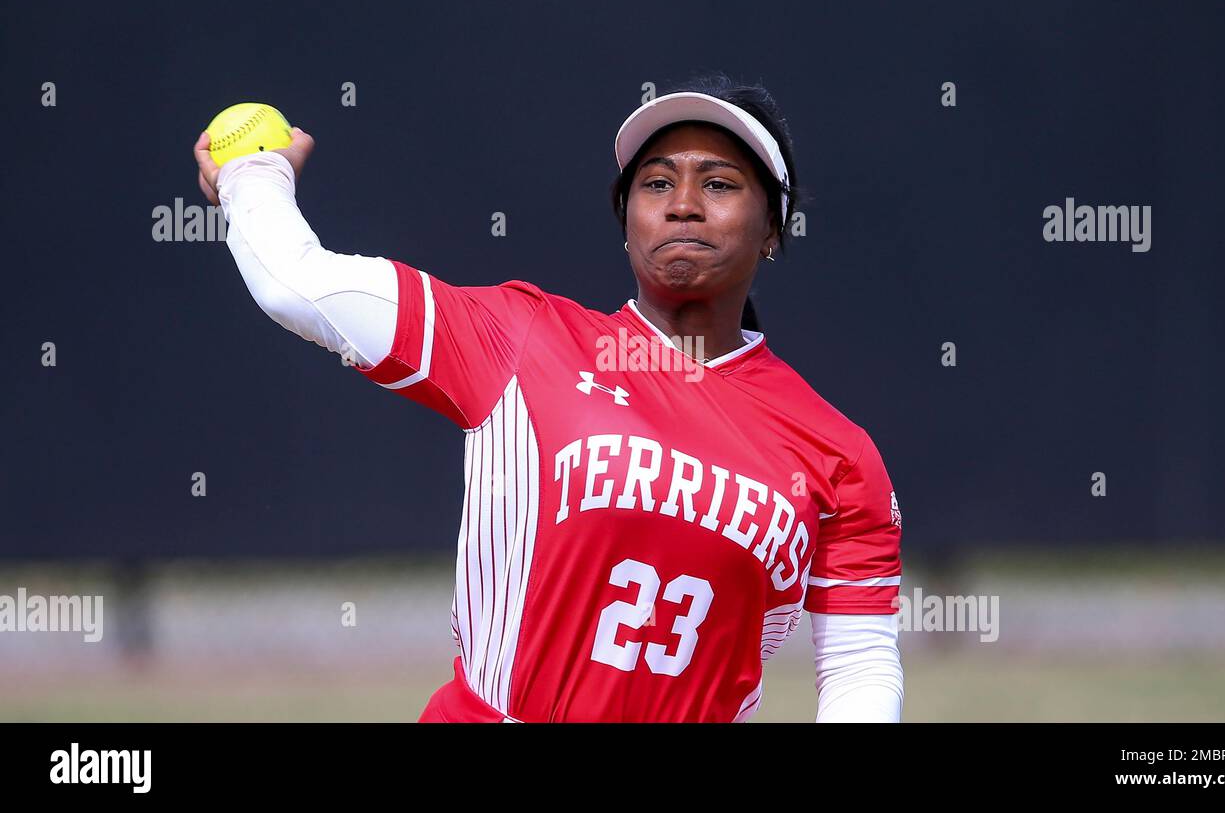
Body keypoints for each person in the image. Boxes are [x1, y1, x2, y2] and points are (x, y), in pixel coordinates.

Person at [193, 73, 904, 722]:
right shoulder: (522, 336)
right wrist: (254, 175)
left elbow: (858, 668)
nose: (684, 204)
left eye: (719, 184)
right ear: (627, 222)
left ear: (773, 227)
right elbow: (299, 284)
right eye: (655, 185)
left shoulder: (836, 452)